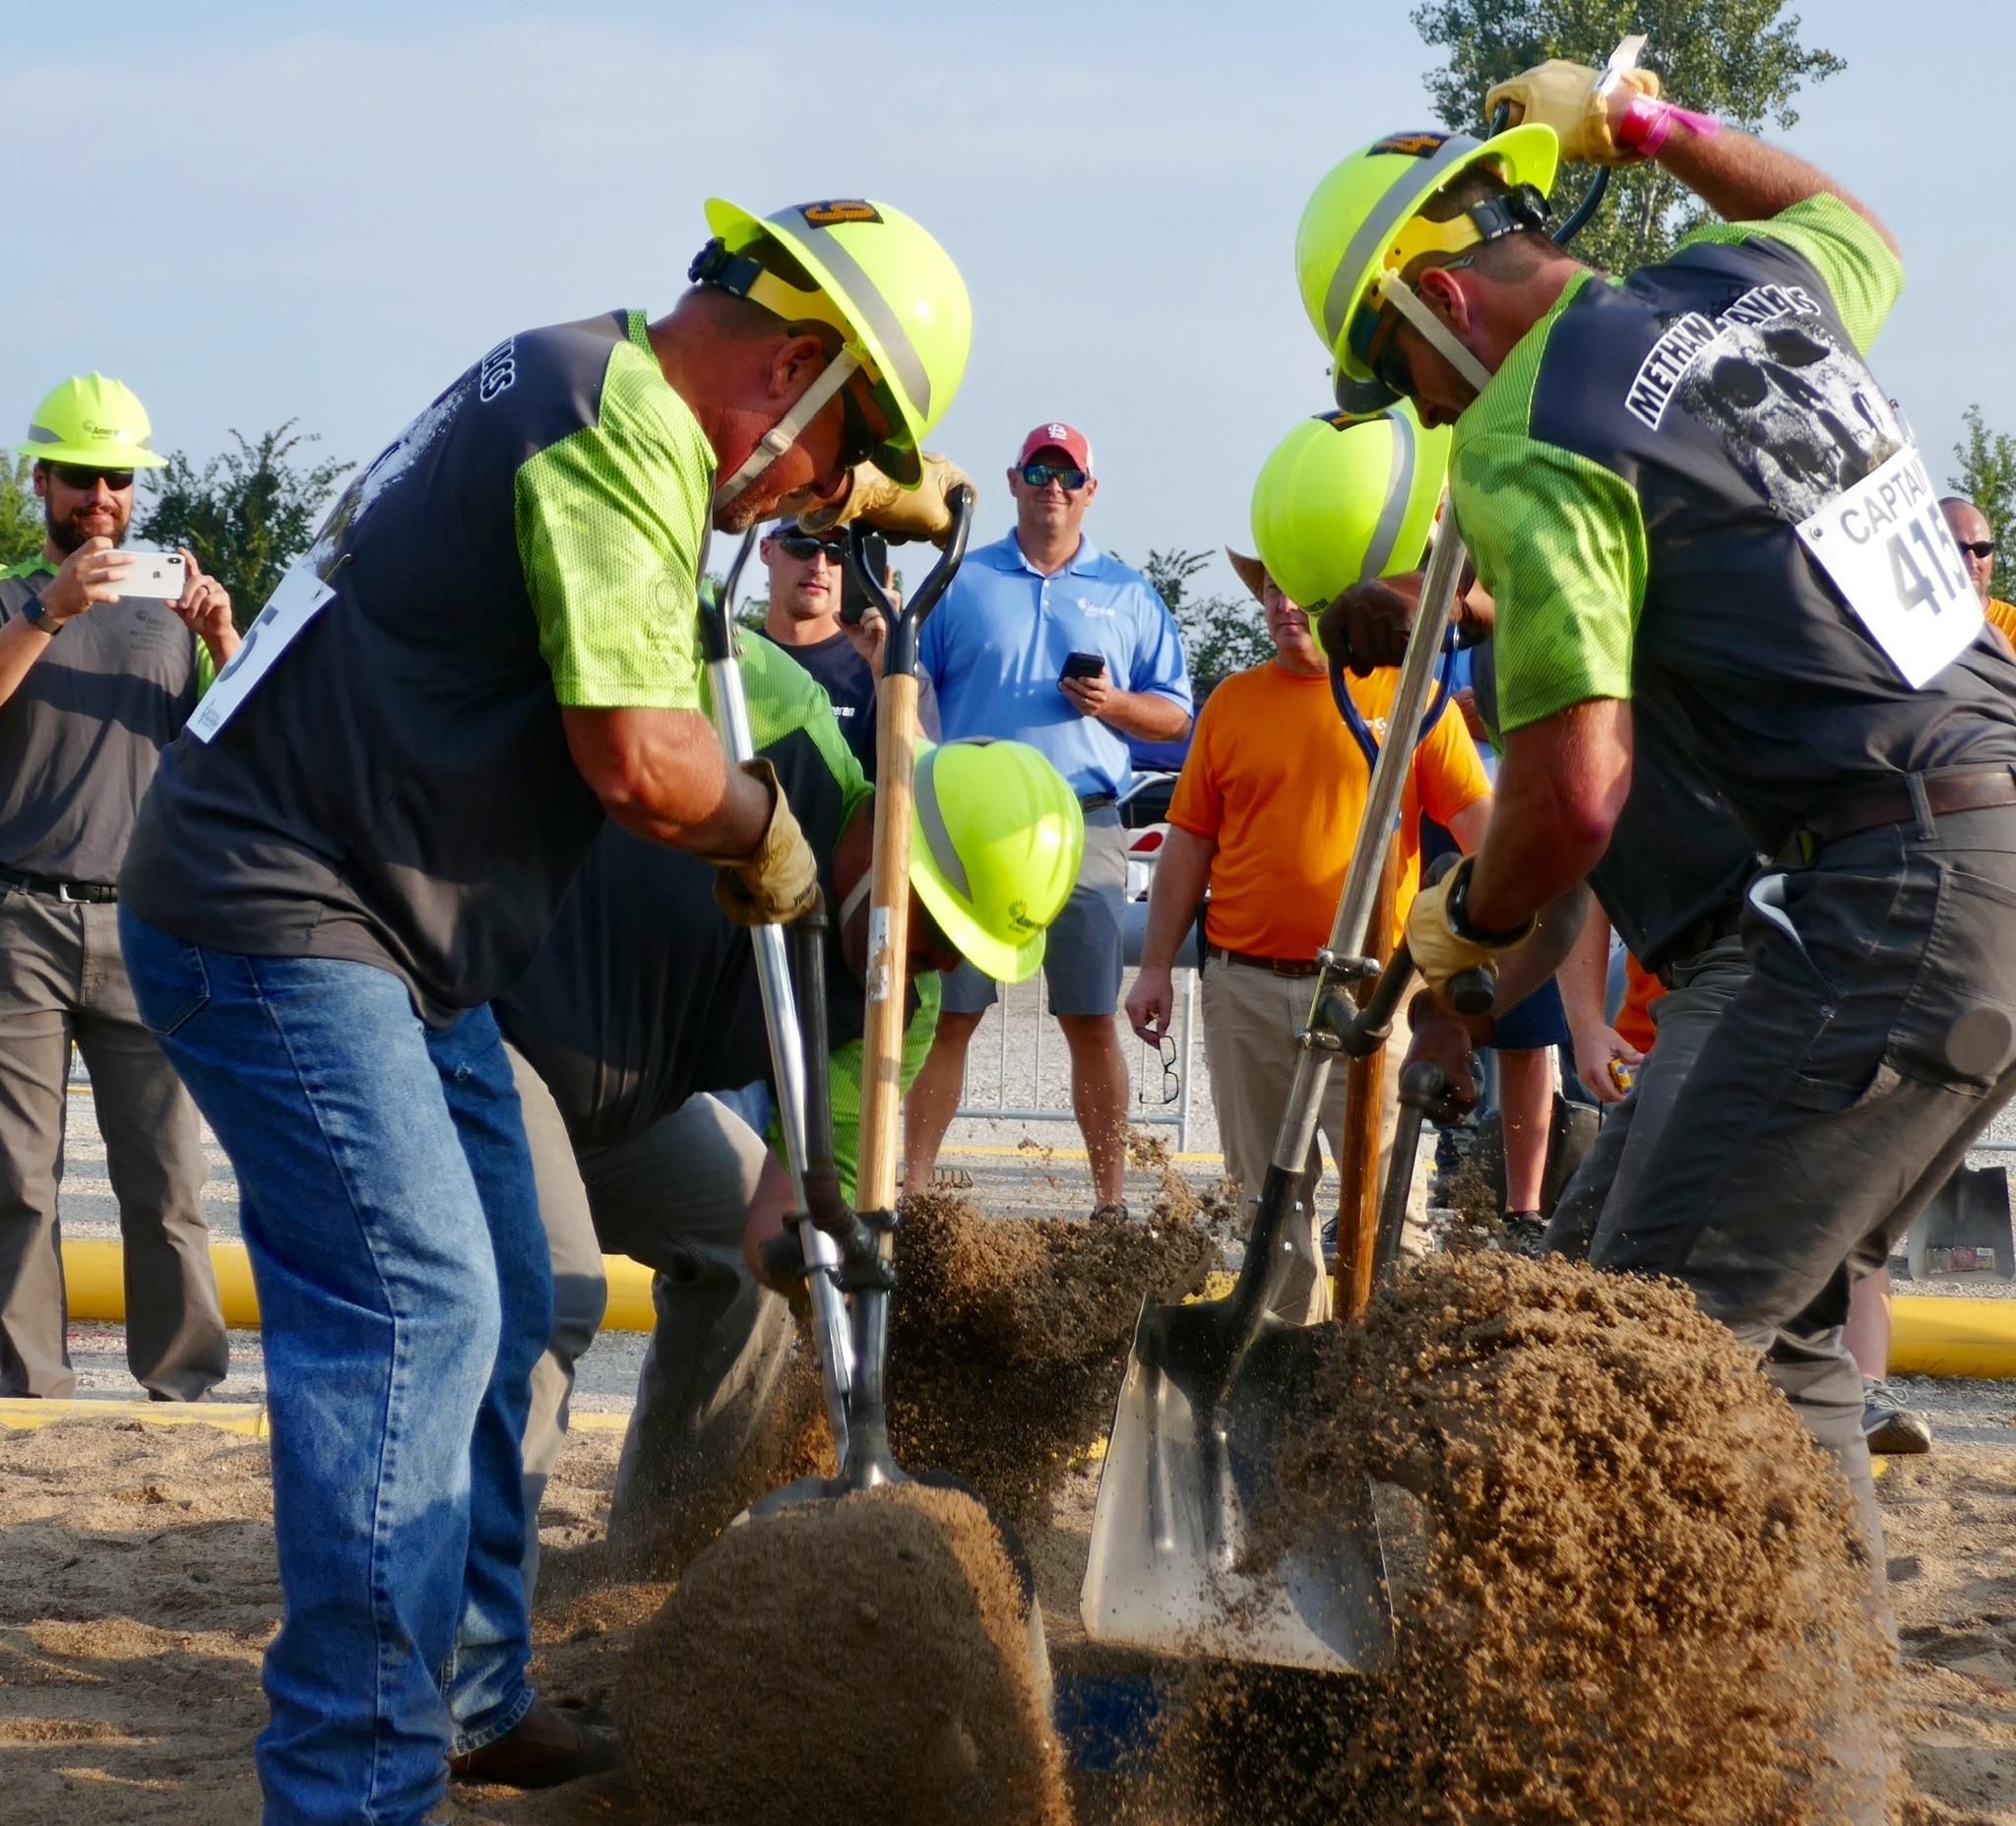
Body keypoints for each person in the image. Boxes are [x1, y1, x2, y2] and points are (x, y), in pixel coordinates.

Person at [115, 194, 974, 1818]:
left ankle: (473, 1693)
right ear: (792, 363)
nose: (798, 494)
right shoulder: (604, 427)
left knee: (516, 1290)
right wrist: (771, 835)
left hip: (399, 935)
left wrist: (863, 480)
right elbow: (642, 760)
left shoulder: (583, 378)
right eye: (821, 448)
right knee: (416, 1310)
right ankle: (360, 1785)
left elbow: (733, 490)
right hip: (282, 902)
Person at [1308, 64, 2016, 1657]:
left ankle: (1648, 1743)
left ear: (1433, 297)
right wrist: (1645, 128)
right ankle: (1821, 1751)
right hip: (1985, 847)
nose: (1418, 420)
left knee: (1624, 1347)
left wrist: (1449, 933)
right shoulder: (1739, 287)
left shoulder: (1524, 430)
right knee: (1789, 1352)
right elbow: (1856, 227)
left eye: (1392, 377)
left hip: (1883, 888)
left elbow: (1568, 798)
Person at [495, 638, 1081, 1582]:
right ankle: (469, 1633)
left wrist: (887, 1338)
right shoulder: (769, 710)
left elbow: (784, 1224)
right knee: (552, 1285)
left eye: (964, 956)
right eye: (936, 929)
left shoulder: (898, 1012)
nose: (936, 967)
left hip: (618, 1104)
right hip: (489, 1023)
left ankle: (660, 1556)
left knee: (733, 1250)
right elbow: (597, 634)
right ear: (894, 839)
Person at [1127, 541, 1488, 1322]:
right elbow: (1189, 840)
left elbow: (1480, 829)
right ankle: (1286, 1373)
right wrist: (1154, 965)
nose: (1286, 605)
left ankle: (1389, 1363)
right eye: (1272, 590)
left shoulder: (1411, 694)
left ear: (1341, 599)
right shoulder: (1231, 702)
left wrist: (1463, 960)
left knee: (1389, 1205)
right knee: (1265, 1203)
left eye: (1304, 590)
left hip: (1372, 993)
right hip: (1245, 983)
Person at [0, 375, 236, 1402]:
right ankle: (28, 1391)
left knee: (171, 1181)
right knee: (17, 1179)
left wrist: (224, 638)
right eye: (83, 477)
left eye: (121, 479)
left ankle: (181, 1387)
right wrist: (48, 615)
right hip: (17, 921)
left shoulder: (168, 612)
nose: (103, 497)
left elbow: (252, 748)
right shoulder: (11, 596)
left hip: (145, 922)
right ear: (40, 480)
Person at [905, 422, 1193, 1218]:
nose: (1052, 487)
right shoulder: (958, 580)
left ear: (1091, 490)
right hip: (968, 829)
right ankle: (913, 1194)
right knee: (949, 1017)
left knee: (1091, 1018)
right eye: (1039, 470)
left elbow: (1175, 718)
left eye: (1069, 475)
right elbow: (911, 686)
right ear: (1013, 480)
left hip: (1084, 827)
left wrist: (1115, 705)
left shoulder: (1132, 594)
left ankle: (1108, 1205)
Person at [752, 519, 938, 775]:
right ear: (766, 550)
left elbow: (925, 786)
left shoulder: (894, 670)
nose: (819, 566)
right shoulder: (730, 659)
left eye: (838, 551)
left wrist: (886, 673)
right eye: (802, 545)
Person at [1943, 496, 2015, 643]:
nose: (1972, 562)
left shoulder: (2012, 627)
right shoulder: (1907, 626)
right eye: (1958, 549)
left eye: (1982, 549)